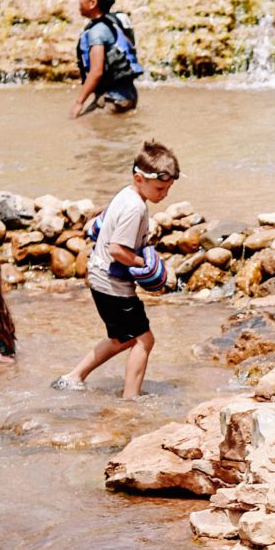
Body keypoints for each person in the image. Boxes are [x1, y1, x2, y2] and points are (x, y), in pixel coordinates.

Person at [52, 142, 179, 399]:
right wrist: (145, 264)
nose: (164, 194)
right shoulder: (136, 207)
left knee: (122, 338)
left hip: (100, 278)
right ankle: (130, 400)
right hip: (113, 284)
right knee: (144, 339)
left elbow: (98, 227)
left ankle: (72, 377)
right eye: (160, 188)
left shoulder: (126, 194)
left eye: (167, 188)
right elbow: (117, 250)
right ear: (138, 178)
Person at [72, 0, 140, 118]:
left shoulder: (96, 32)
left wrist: (79, 102)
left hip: (113, 100)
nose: (79, 0)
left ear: (92, 3)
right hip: (128, 95)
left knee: (79, 126)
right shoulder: (113, 23)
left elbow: (96, 71)